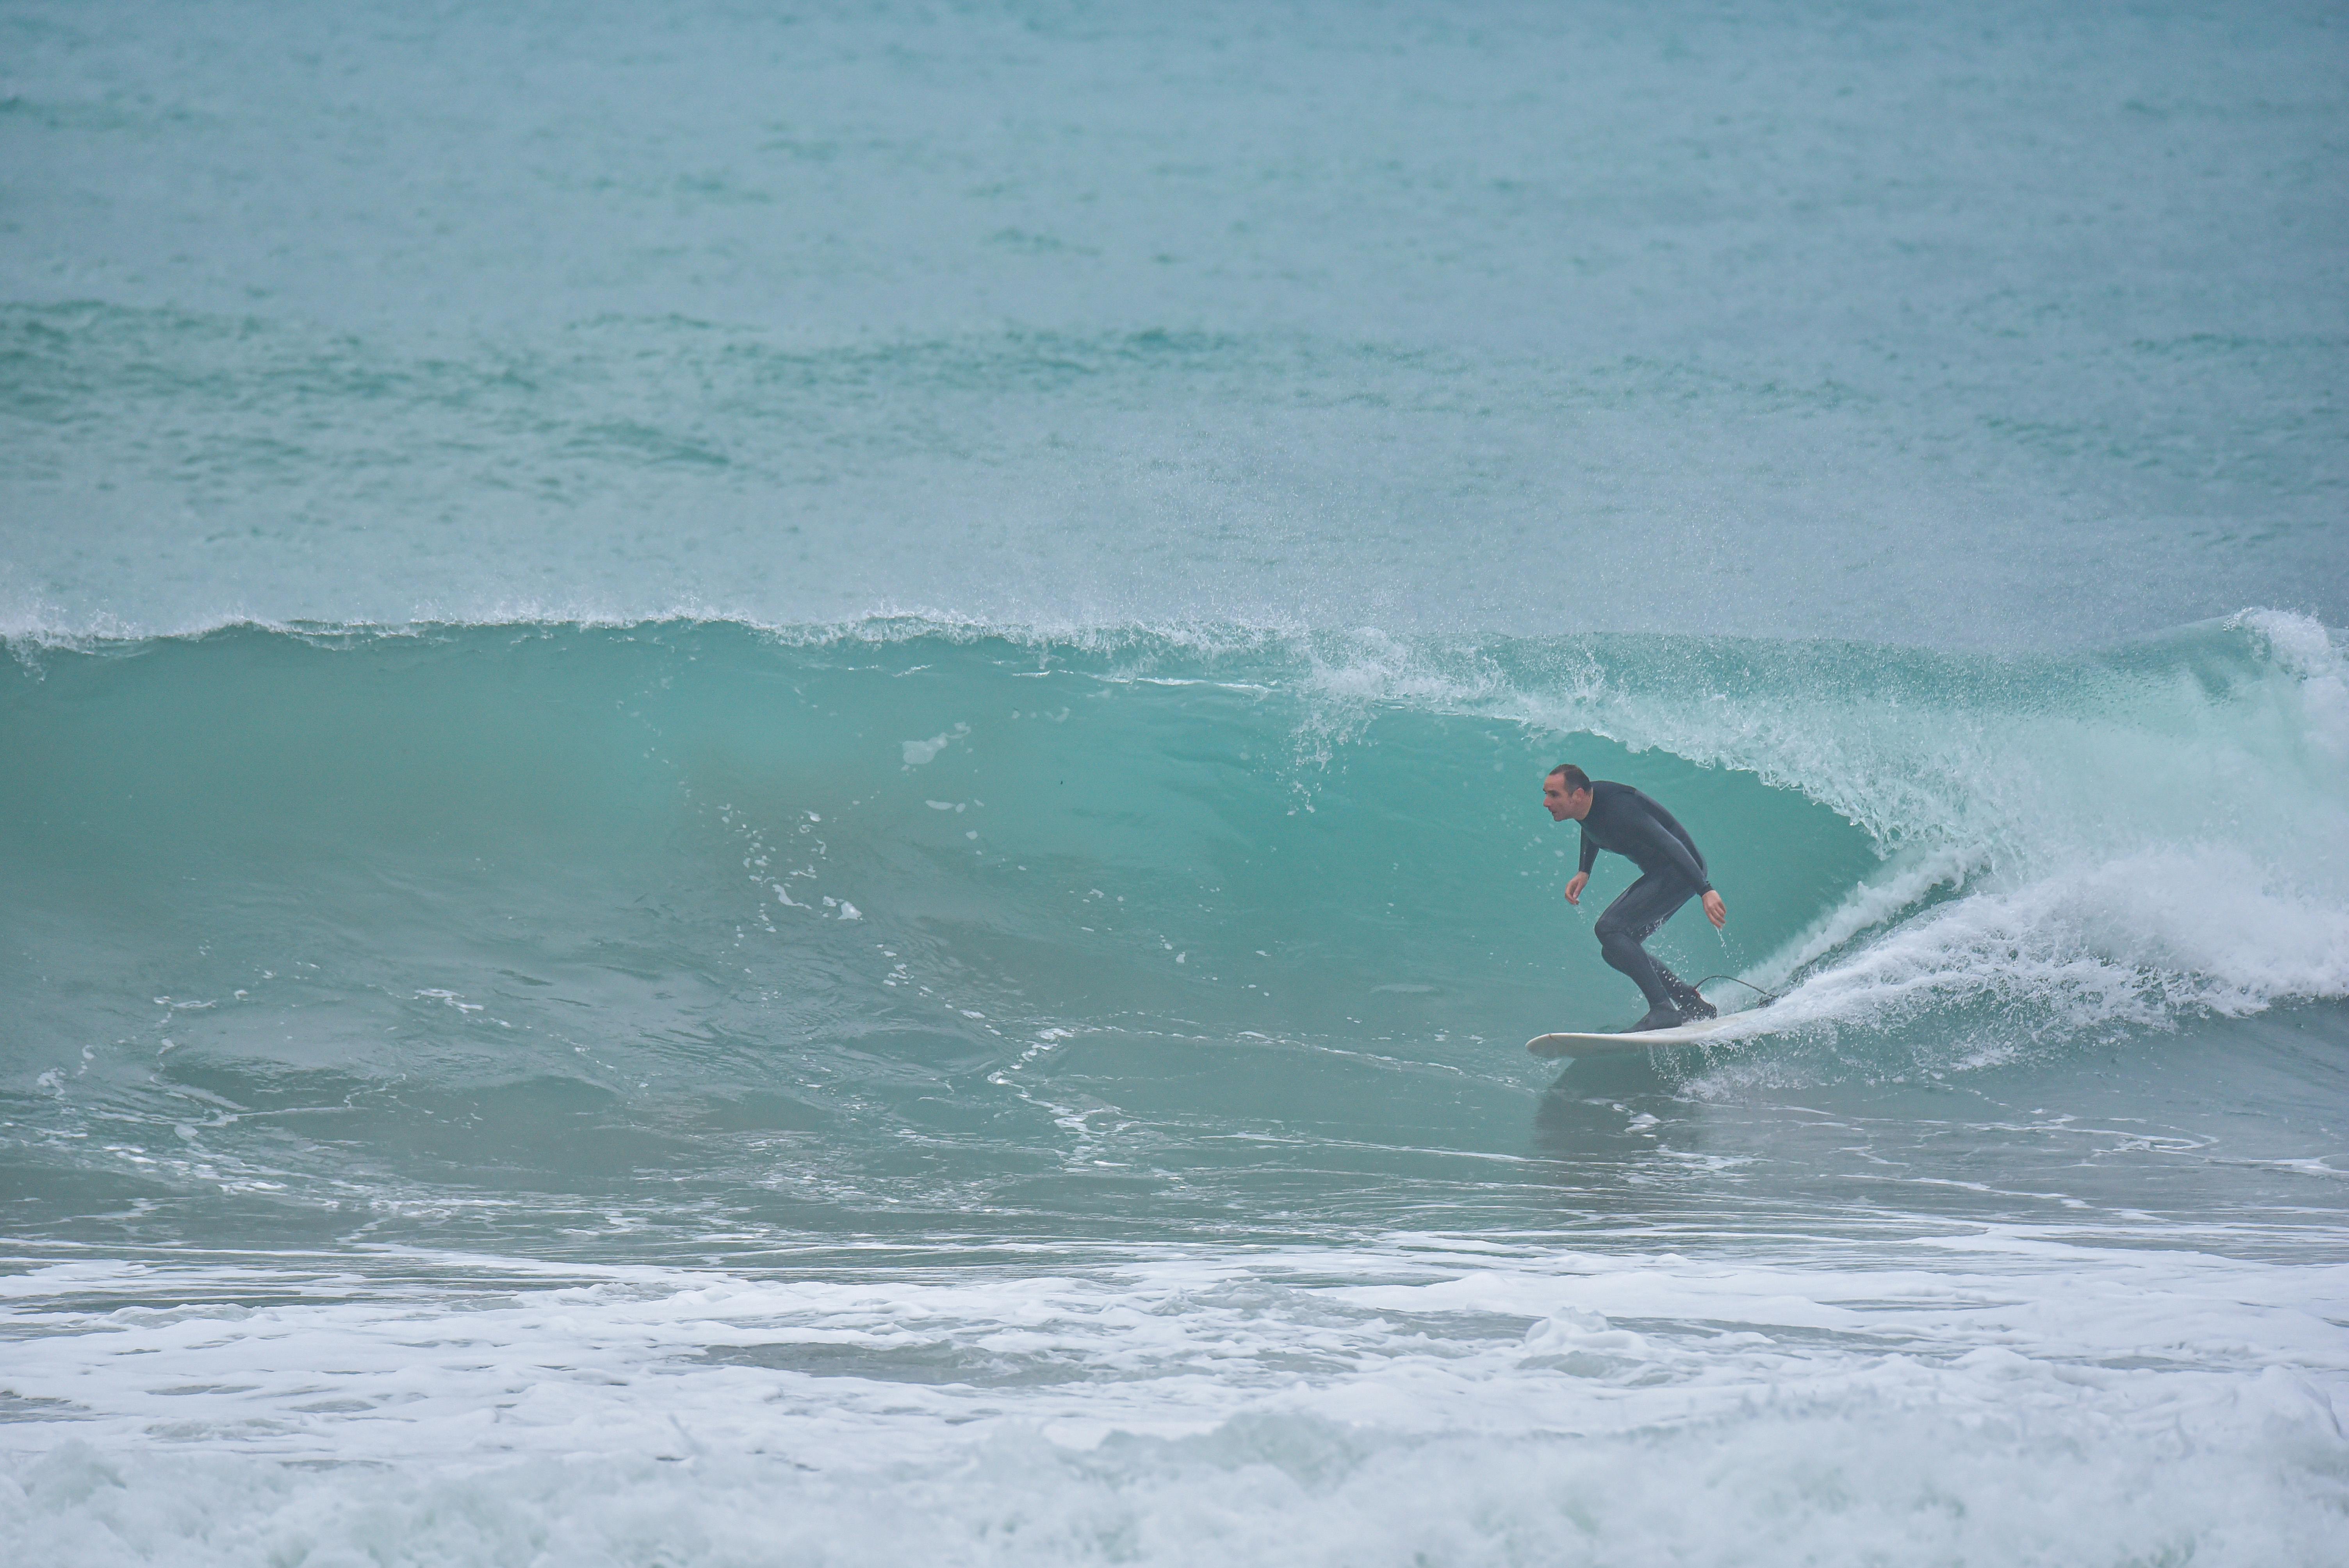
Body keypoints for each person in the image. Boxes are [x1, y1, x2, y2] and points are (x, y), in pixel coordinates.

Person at [1541, 764, 1728, 1032]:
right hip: (1662, 873)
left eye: (1554, 795)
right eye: (1546, 794)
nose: (1546, 802)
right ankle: (1691, 1003)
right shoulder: (1586, 806)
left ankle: (1663, 1010)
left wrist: (1705, 890)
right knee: (1616, 951)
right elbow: (1590, 826)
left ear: (1578, 795)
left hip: (1681, 872)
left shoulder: (1622, 808)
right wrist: (1585, 870)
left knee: (1608, 929)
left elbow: (1670, 844)